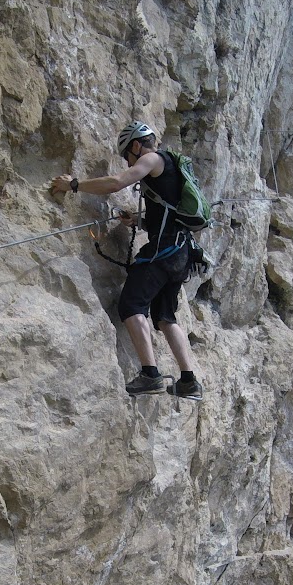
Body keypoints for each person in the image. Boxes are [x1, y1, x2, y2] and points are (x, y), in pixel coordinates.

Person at [50, 120, 203, 400]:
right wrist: (138, 220)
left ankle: (150, 375)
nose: (129, 161)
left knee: (132, 305)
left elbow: (118, 182)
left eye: (127, 156)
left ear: (135, 145)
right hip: (182, 253)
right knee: (165, 317)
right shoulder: (171, 169)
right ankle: (189, 382)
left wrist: (74, 184)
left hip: (165, 251)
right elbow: (167, 214)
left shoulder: (152, 159)